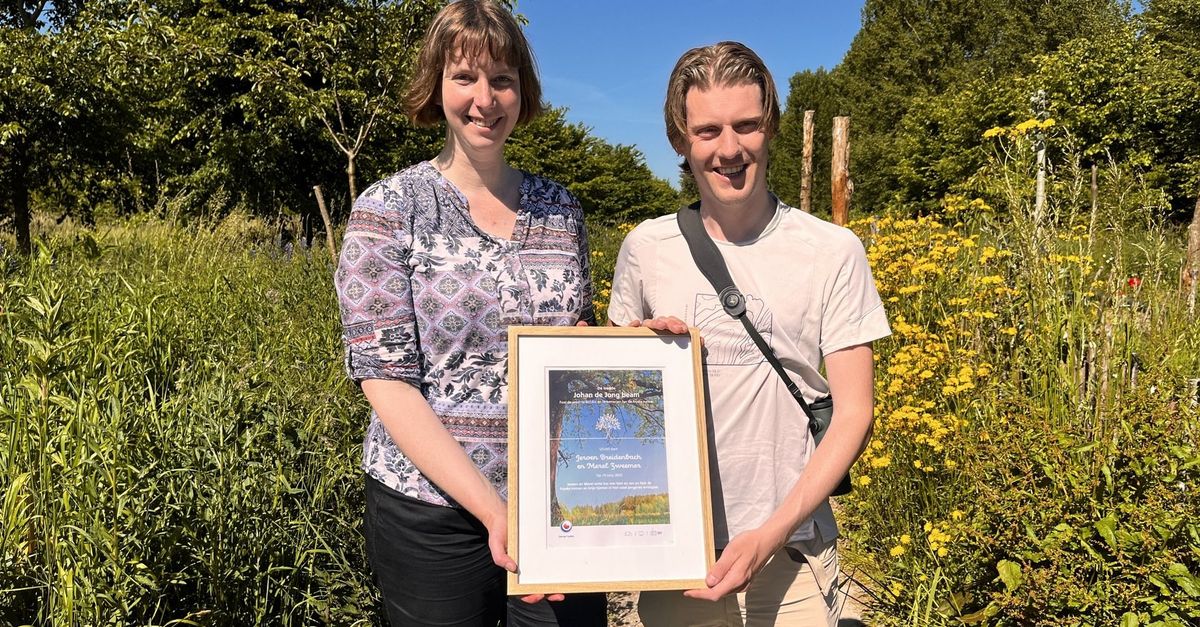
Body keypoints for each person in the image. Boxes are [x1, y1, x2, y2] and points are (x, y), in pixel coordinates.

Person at [333, 2, 606, 625]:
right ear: (437, 86)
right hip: (431, 516)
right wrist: (493, 510)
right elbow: (386, 379)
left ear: (522, 93)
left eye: (503, 80)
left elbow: (573, 350)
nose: (486, 98)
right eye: (465, 77)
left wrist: (645, 346)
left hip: (556, 508)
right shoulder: (389, 208)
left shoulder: (561, 211)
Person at [607, 41, 891, 626]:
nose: (729, 149)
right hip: (680, 558)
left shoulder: (833, 251)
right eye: (708, 130)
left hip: (794, 552)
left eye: (747, 125)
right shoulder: (645, 249)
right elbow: (614, 406)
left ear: (771, 127)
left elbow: (855, 412)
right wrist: (639, 351)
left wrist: (770, 532)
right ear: (680, 139)